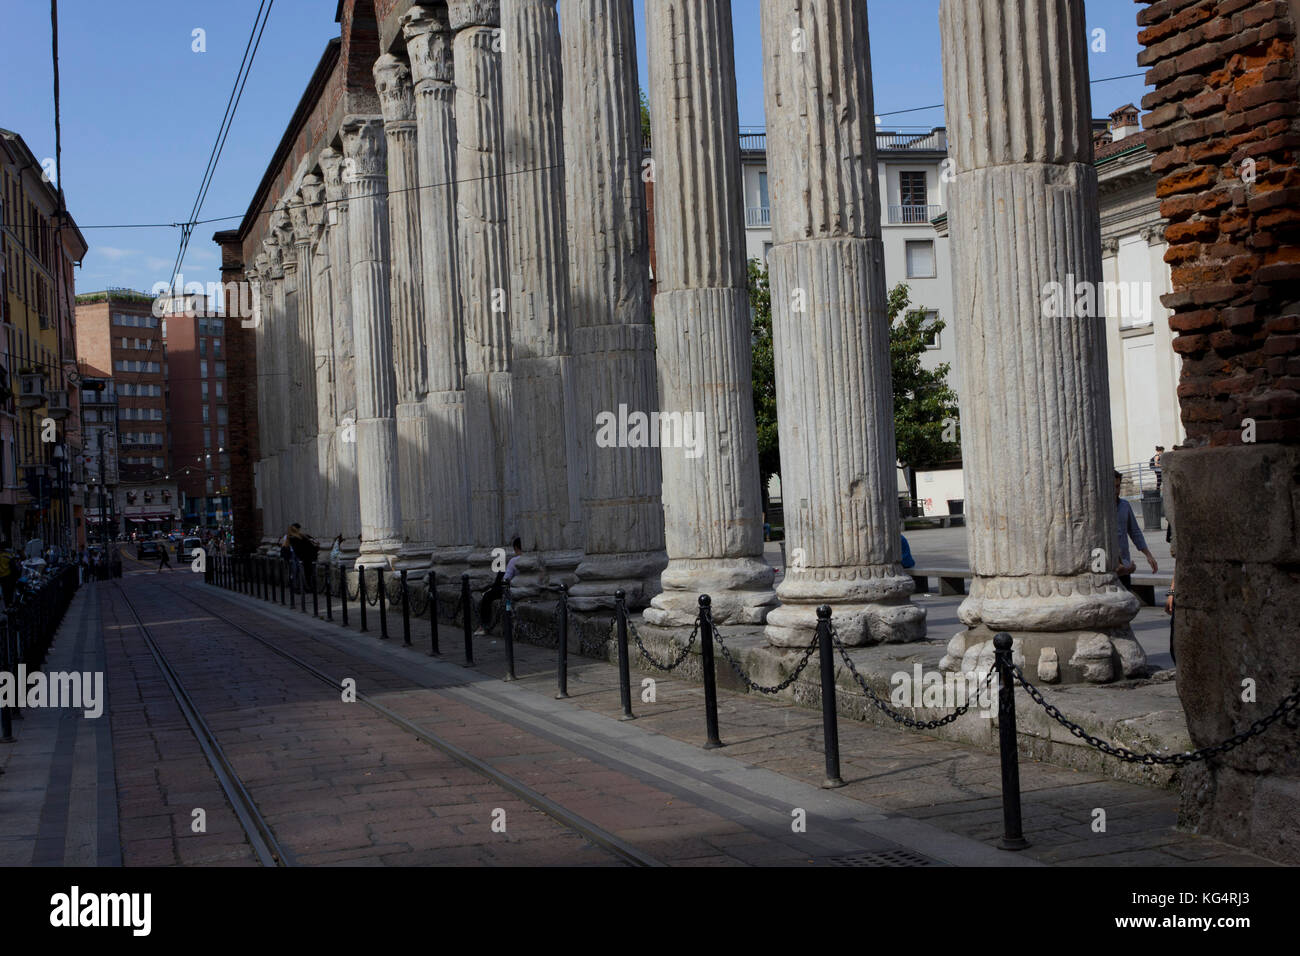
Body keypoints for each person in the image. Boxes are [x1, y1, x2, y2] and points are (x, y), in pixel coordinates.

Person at [1115, 470, 1157, 589]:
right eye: (1113, 487)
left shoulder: (1125, 505)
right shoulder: (1099, 507)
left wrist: (1148, 555)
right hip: (1105, 567)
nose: (1116, 491)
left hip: (1125, 565)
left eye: (1118, 486)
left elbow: (1134, 531)